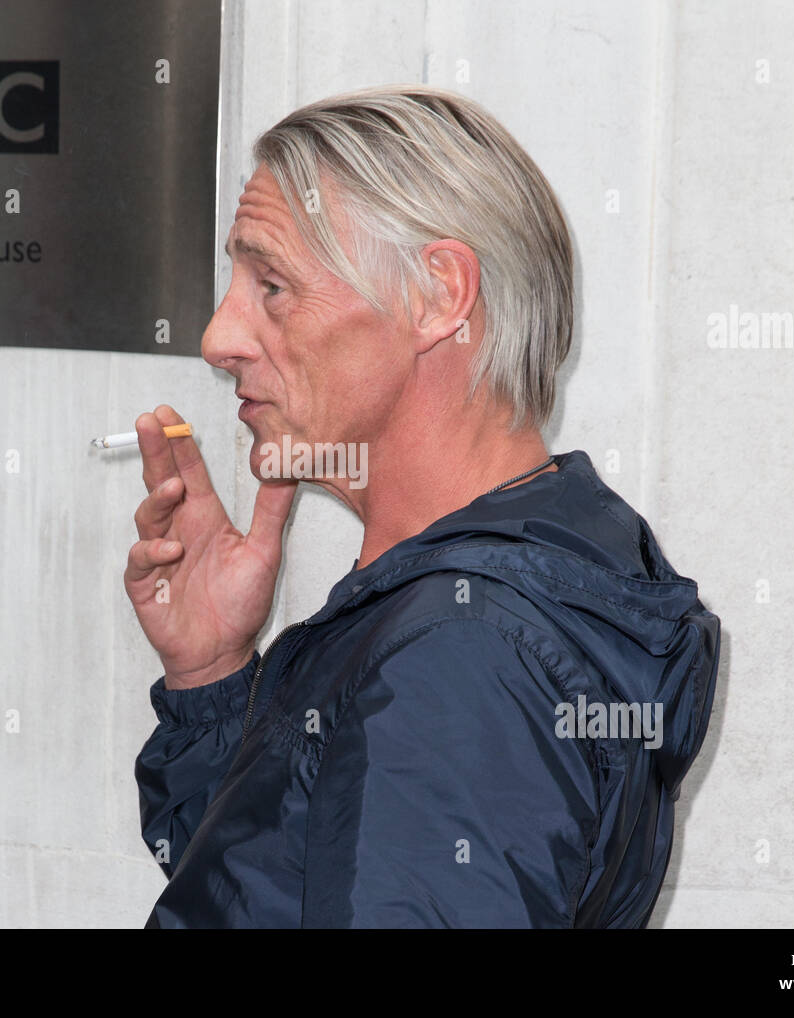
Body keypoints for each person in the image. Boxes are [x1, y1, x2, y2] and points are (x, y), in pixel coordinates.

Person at [124, 84, 720, 928]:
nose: (219, 338)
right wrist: (214, 677)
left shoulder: (462, 655)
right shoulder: (529, 565)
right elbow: (270, 893)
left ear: (438, 297)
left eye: (273, 285)